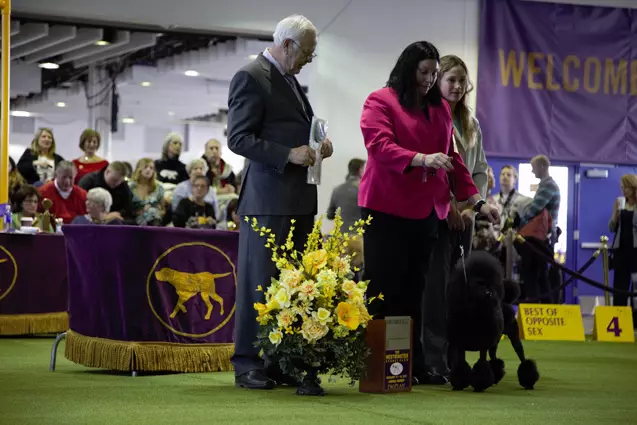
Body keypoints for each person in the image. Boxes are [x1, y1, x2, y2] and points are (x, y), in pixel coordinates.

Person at [358, 41, 499, 386]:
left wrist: (478, 202)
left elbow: (454, 161)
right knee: (383, 288)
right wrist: (421, 159)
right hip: (384, 208)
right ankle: (374, 364)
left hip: (422, 213)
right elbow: (378, 145)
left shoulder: (439, 110)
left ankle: (414, 365)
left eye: (433, 73)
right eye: (424, 72)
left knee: (414, 291)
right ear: (409, 68)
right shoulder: (381, 100)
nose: (429, 79)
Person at [226, 14, 333, 393]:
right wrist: (288, 154)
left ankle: (277, 360)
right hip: (267, 201)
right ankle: (248, 364)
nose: (308, 59)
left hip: (296, 199)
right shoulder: (251, 76)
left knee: (288, 286)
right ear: (287, 45)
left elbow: (292, 130)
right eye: (306, 52)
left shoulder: (288, 80)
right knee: (259, 286)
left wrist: (318, 147)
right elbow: (238, 139)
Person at [421, 55, 489, 383]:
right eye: (451, 79)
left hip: (465, 218)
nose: (458, 86)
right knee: (435, 291)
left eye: (463, 81)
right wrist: (449, 205)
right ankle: (432, 360)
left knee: (458, 291)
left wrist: (473, 207)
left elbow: (478, 171)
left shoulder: (472, 123)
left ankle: (455, 358)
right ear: (437, 81)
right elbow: (436, 169)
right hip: (436, 216)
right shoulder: (429, 115)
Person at [608, 174, 637, 308]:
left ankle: (635, 319)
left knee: (636, 287)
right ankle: (619, 316)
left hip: (635, 251)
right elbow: (612, 228)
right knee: (619, 286)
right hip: (621, 250)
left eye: (627, 186)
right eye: (622, 187)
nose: (624, 190)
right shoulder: (620, 203)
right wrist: (615, 213)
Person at [326, 158, 365, 232]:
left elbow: (330, 215)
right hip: (359, 238)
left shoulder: (337, 190)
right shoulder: (364, 191)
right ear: (360, 171)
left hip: (341, 238)